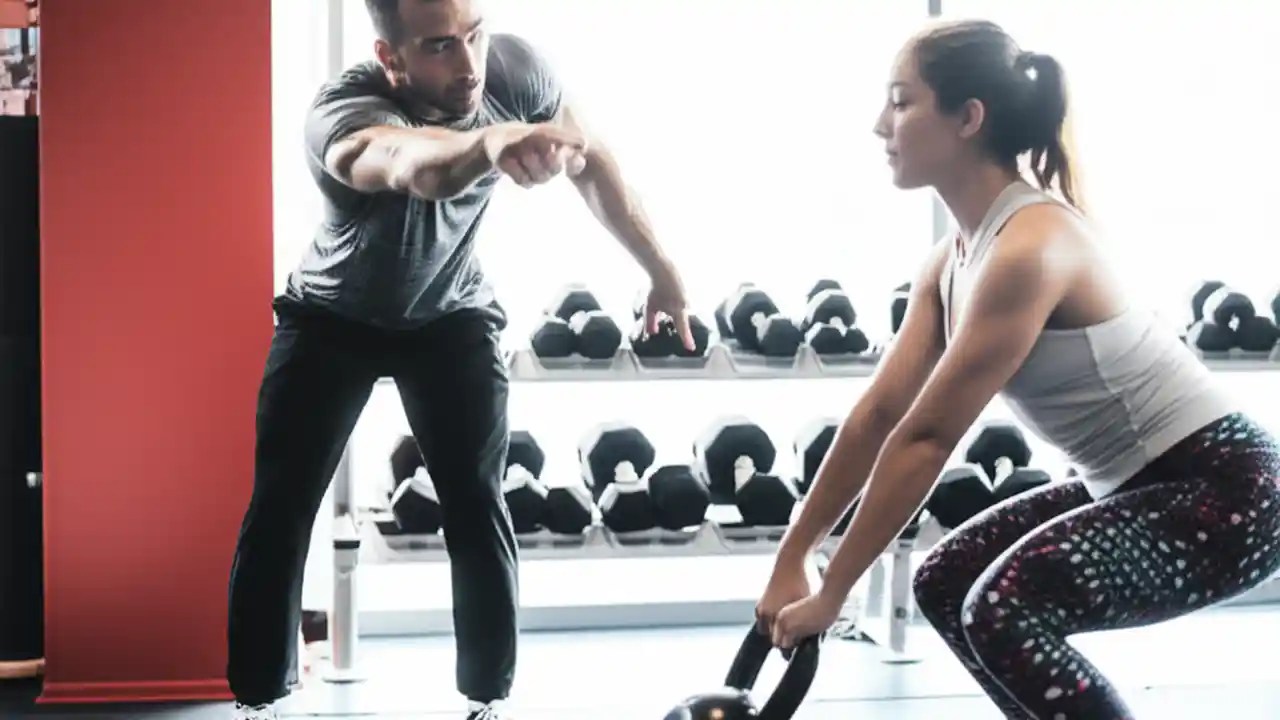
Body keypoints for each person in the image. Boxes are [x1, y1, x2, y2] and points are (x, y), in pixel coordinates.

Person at [754, 18, 1280, 720]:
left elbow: (927, 438)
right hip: (1134, 483)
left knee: (1004, 606)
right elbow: (881, 417)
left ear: (968, 118)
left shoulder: (1030, 247)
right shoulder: (951, 262)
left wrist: (834, 592)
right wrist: (795, 553)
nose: (879, 124)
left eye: (901, 101)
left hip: (1230, 490)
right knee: (947, 582)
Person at [225, 1, 695, 718]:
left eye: (474, 34)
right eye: (441, 46)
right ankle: (257, 699)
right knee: (282, 508)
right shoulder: (343, 112)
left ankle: (486, 700)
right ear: (393, 58)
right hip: (331, 317)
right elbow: (414, 166)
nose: (469, 64)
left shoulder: (516, 69)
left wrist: (663, 272)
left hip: (451, 313)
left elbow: (591, 158)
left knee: (478, 504)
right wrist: (490, 144)